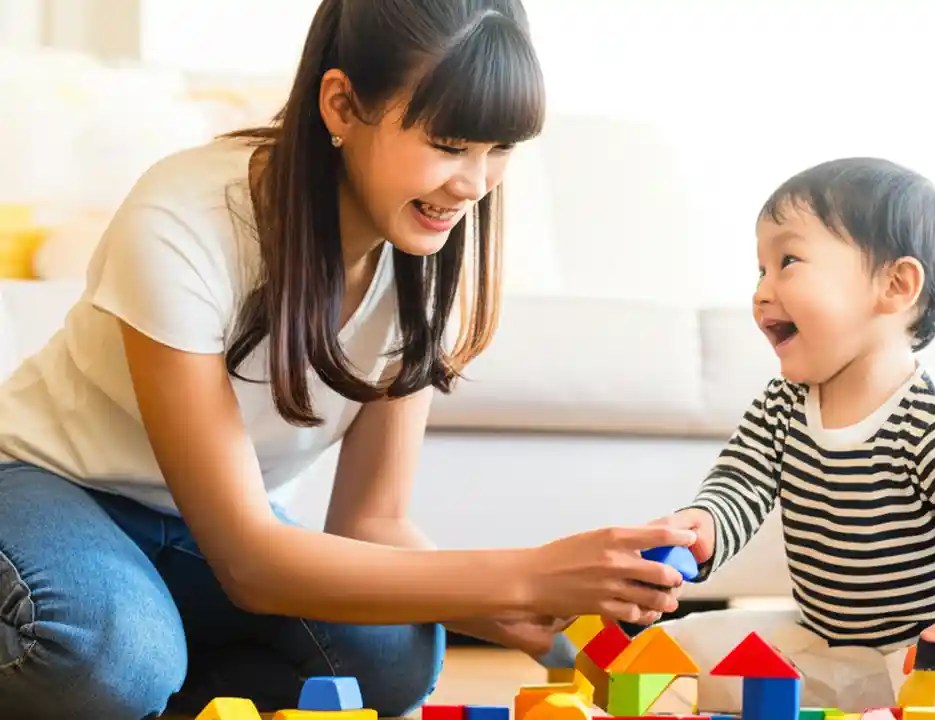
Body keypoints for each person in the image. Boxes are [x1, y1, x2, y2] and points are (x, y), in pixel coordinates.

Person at [0, 1, 694, 717]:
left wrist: (517, 610)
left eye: (501, 149)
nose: (475, 183)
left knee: (393, 655)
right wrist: (522, 576)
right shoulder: (185, 219)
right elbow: (248, 560)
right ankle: (123, 661)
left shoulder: (424, 248)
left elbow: (374, 523)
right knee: (102, 654)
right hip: (47, 486)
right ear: (341, 104)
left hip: (203, 538)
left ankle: (154, 681)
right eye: (451, 143)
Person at [647, 158, 935, 716]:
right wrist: (704, 526)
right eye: (760, 270)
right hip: (832, 643)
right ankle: (864, 701)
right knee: (683, 647)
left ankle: (924, 689)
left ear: (895, 286)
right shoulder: (782, 405)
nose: (761, 293)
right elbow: (739, 485)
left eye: (788, 262)